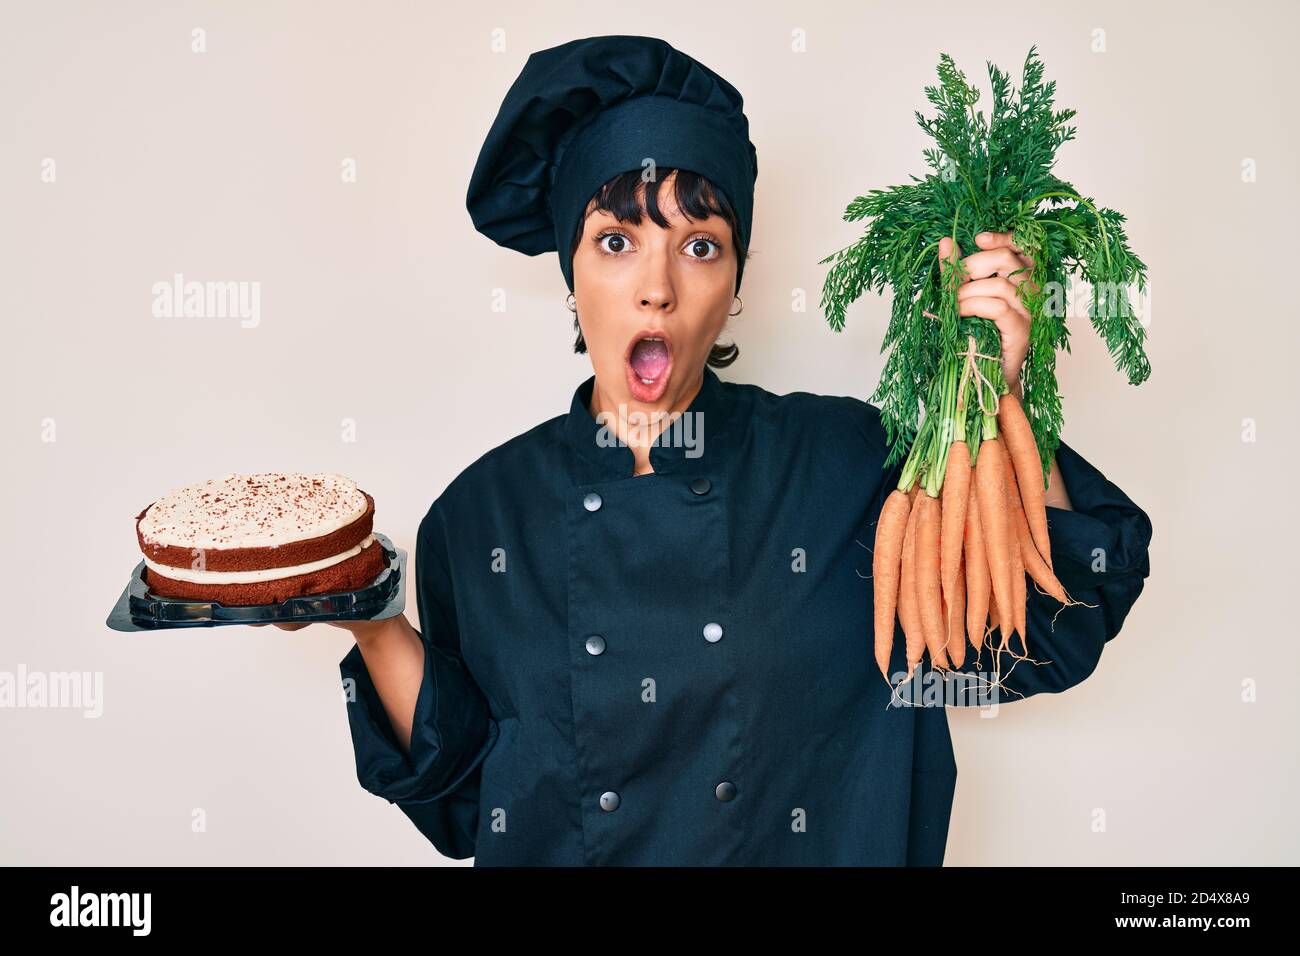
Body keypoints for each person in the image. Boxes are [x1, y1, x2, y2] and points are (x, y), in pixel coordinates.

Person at [279, 35, 1152, 865]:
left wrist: (994, 396)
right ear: (571, 273)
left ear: (736, 283)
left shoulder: (853, 466)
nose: (657, 289)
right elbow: (466, 807)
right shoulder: (479, 517)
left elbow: (1052, 637)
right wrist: (374, 621)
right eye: (616, 243)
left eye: (700, 246)